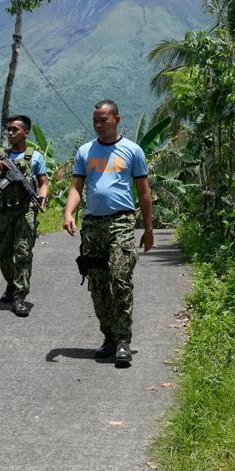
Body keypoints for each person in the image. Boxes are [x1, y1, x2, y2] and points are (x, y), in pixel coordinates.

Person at [62, 100, 154, 367]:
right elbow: (77, 187)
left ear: (116, 119)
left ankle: (124, 339)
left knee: (120, 277)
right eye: (95, 121)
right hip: (93, 225)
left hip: (122, 222)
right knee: (99, 284)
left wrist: (148, 229)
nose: (99, 125)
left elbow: (144, 192)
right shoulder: (85, 152)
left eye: (104, 120)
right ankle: (109, 338)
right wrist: (69, 213)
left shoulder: (132, 151)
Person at [0, 115, 49, 317]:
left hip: (25, 210)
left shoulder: (35, 157)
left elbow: (43, 182)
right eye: (9, 130)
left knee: (23, 253)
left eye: (15, 129)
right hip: (3, 211)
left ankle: (19, 296)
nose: (10, 133)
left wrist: (41, 196)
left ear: (26, 132)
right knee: (2, 252)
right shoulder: (0, 156)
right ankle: (11, 283)